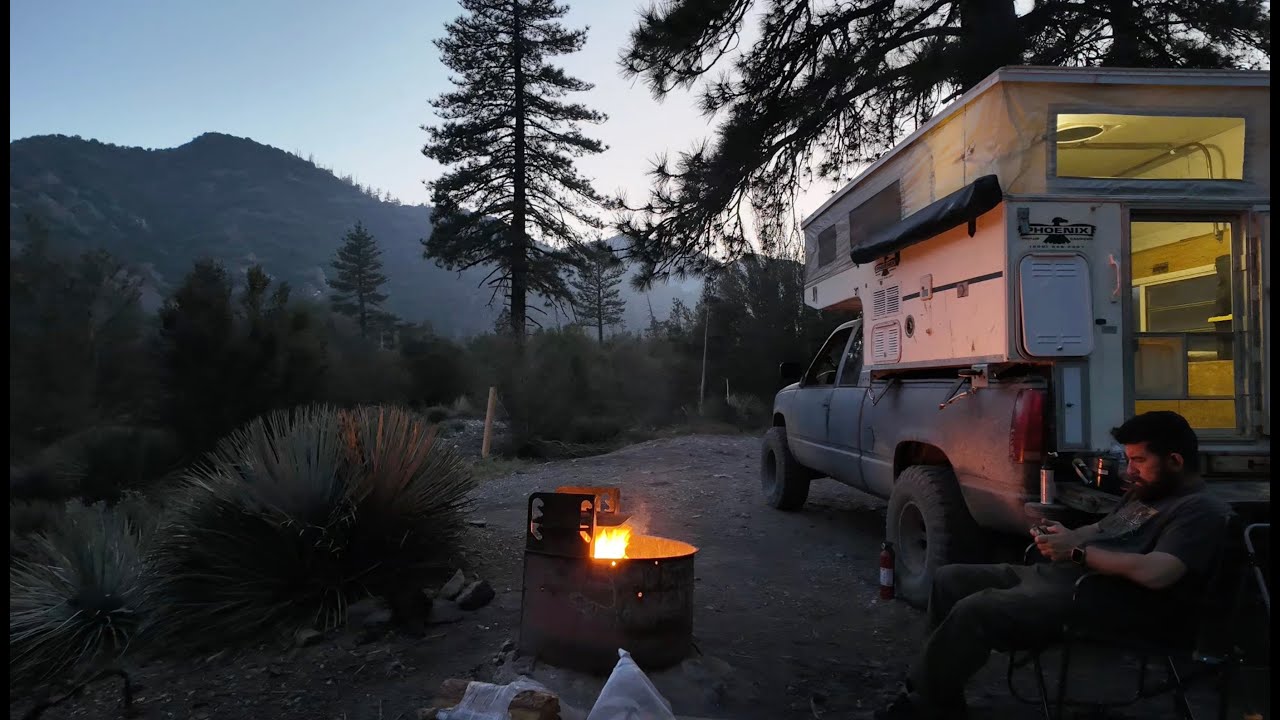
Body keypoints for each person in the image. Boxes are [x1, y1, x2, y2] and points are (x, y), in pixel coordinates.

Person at [876, 410, 1231, 719]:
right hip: (1069, 580)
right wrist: (1067, 536)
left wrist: (1077, 554)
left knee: (976, 610)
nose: (1130, 470)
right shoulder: (1148, 493)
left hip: (1109, 602)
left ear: (1175, 461)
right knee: (950, 579)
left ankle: (924, 702)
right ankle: (941, 694)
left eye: (1139, 461)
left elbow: (1158, 573)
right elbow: (1102, 529)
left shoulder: (1199, 511)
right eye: (1128, 459)